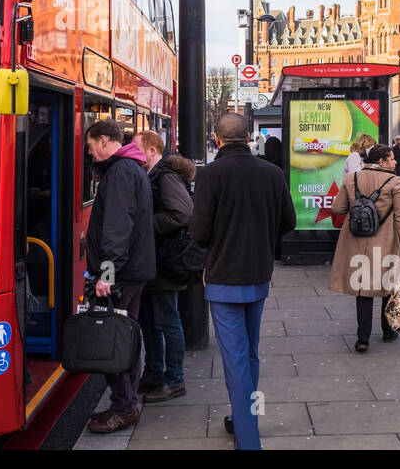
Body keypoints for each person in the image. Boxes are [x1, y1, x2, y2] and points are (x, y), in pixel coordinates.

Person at [191, 113, 296, 450]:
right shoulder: (272, 173)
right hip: (258, 275)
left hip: (223, 278)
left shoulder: (211, 175)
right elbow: (288, 222)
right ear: (248, 137)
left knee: (236, 358)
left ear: (217, 140)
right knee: (250, 354)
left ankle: (248, 440)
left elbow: (199, 232)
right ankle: (240, 417)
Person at [83, 119, 155, 433]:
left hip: (121, 274)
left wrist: (106, 276)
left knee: (114, 339)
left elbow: (116, 228)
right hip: (133, 271)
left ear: (103, 140)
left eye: (90, 146)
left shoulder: (120, 173)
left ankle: (124, 408)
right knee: (125, 336)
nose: (90, 153)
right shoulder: (131, 168)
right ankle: (124, 404)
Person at [329, 144, 400, 352]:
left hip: (356, 241)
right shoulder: (396, 182)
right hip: (385, 240)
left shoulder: (353, 178)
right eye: (392, 159)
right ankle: (387, 332)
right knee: (387, 285)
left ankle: (362, 339)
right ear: (382, 161)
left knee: (363, 290)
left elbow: (337, 208)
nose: (395, 162)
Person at [136, 131, 194, 403]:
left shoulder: (165, 177)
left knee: (167, 320)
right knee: (149, 320)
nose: (133, 153)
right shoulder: (152, 175)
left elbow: (182, 213)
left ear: (151, 150)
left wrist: (146, 224)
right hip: (155, 260)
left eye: (137, 148)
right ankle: (154, 374)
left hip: (166, 261)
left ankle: (174, 380)